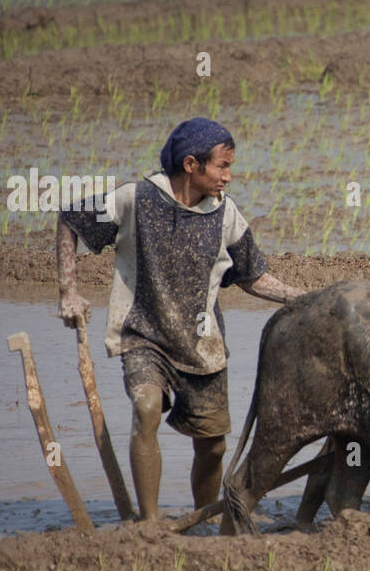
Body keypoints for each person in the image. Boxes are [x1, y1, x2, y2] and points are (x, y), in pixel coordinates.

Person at [55, 117, 303, 527]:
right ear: (192, 165)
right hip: (143, 336)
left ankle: (203, 520)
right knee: (147, 407)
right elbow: (70, 220)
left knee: (213, 447)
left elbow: (254, 276)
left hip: (202, 345)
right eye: (222, 166)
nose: (229, 176)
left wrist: (304, 297)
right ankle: (150, 524)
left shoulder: (226, 214)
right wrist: (68, 291)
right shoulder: (136, 199)